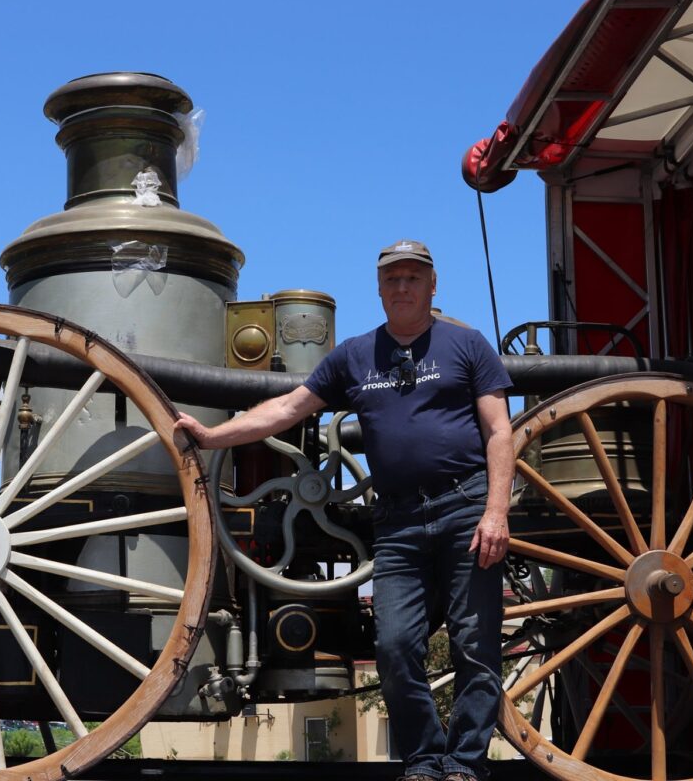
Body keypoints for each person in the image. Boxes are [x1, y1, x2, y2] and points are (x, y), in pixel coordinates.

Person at [174, 240, 514, 781]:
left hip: (466, 510)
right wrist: (213, 436)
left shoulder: (467, 345)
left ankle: (465, 764)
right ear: (379, 290)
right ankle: (424, 761)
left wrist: (495, 511)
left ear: (432, 285)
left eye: (412, 278)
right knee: (396, 644)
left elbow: (500, 431)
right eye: (392, 280)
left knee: (475, 645)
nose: (402, 287)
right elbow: (287, 408)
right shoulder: (355, 355)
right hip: (397, 521)